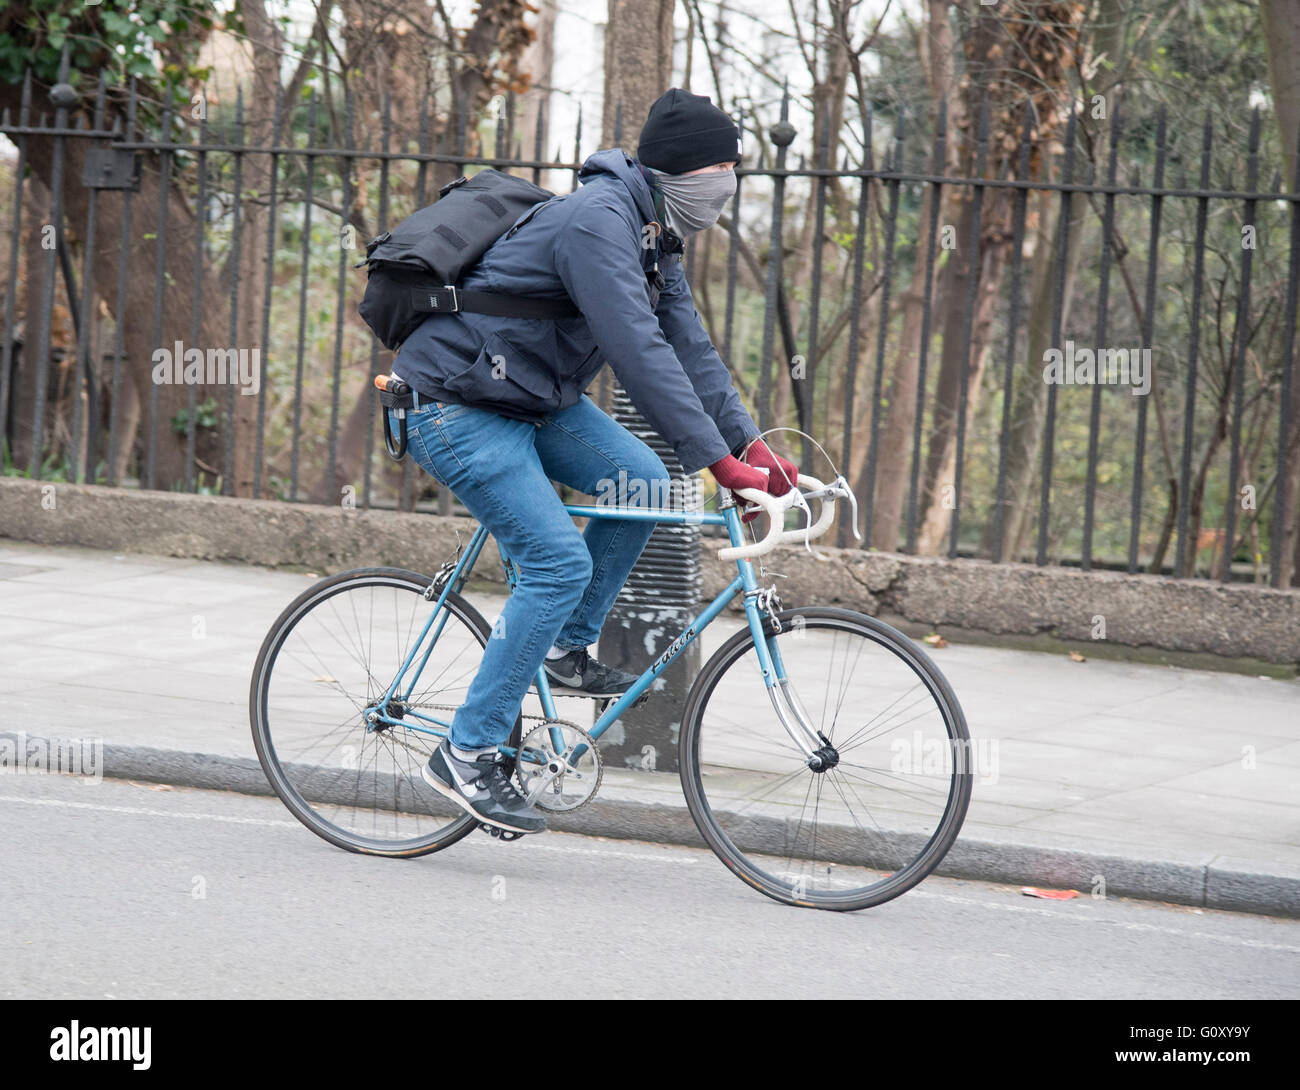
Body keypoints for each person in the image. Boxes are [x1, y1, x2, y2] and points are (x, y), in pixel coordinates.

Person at [389, 88, 797, 836]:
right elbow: (639, 351)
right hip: (453, 404)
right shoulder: (597, 222)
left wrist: (746, 445)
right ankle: (468, 753)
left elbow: (690, 350)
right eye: (719, 168)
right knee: (555, 563)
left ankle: (565, 644)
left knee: (642, 483)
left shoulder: (651, 232)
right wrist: (717, 463)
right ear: (676, 169)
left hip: (524, 398)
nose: (726, 185)